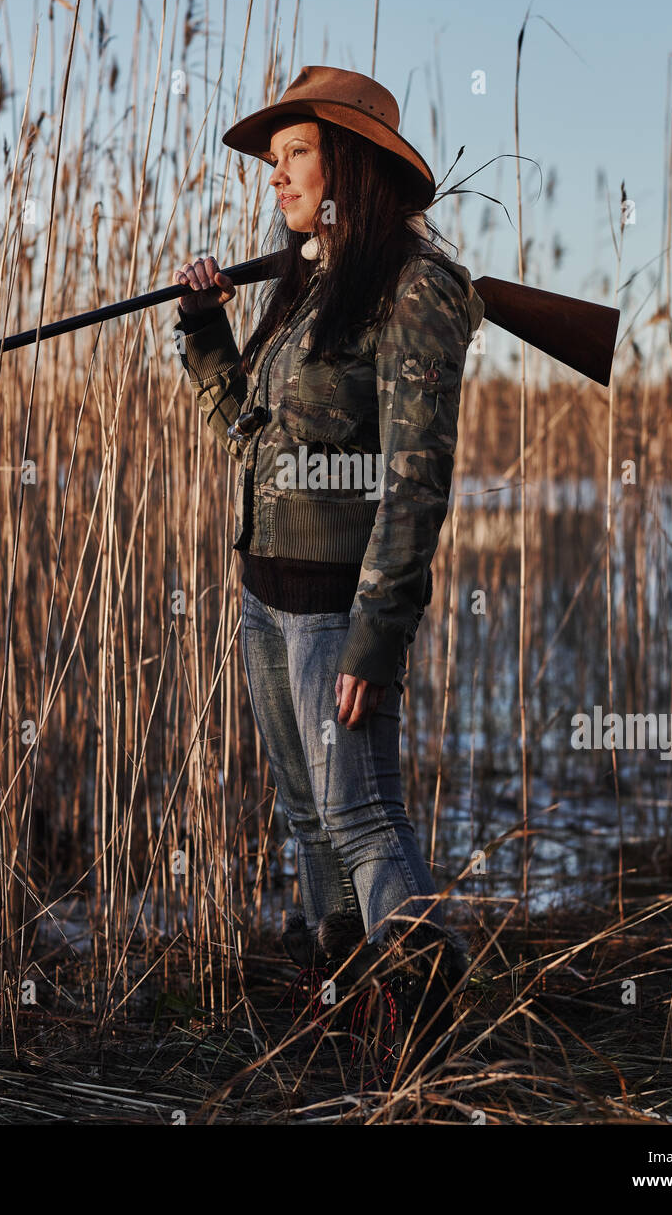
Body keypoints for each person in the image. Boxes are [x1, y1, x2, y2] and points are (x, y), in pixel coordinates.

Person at [174, 66, 485, 1071]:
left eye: (295, 154)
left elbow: (415, 484)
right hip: (267, 598)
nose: (276, 177)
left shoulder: (414, 289)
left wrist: (375, 632)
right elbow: (249, 439)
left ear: (346, 161)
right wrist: (205, 331)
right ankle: (351, 1006)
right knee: (309, 820)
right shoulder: (308, 290)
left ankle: (425, 1003)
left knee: (361, 817)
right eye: (271, 162)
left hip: (333, 612)